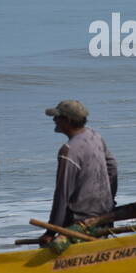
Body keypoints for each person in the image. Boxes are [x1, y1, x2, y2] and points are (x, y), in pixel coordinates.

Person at [40, 100, 118, 244]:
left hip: (81, 220)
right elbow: (112, 168)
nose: (54, 120)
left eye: (57, 117)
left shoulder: (69, 151)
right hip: (103, 215)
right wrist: (109, 202)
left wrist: (51, 231)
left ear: (68, 120)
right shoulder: (94, 136)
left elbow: (62, 194)